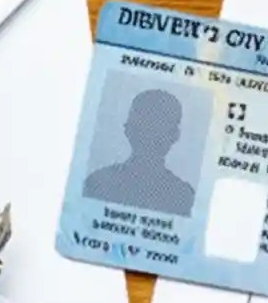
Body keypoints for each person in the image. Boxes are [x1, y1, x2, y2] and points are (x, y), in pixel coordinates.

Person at [83, 88, 195, 216]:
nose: (150, 135)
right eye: (146, 126)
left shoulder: (99, 182)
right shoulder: (183, 196)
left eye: (157, 127)